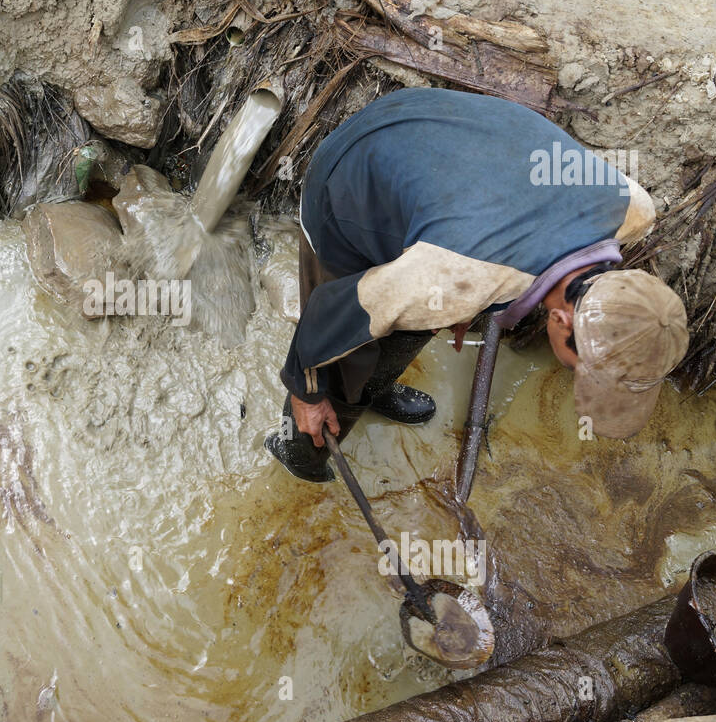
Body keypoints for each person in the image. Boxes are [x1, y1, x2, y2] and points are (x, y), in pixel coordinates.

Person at [266, 87, 689, 483]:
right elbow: (329, 312)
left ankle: (371, 390)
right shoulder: (453, 277)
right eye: (577, 368)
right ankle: (297, 451)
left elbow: (487, 250)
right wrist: (307, 393)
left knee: (415, 319)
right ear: (561, 319)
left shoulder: (633, 208)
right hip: (347, 183)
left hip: (440, 142)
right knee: (344, 357)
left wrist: (473, 300)